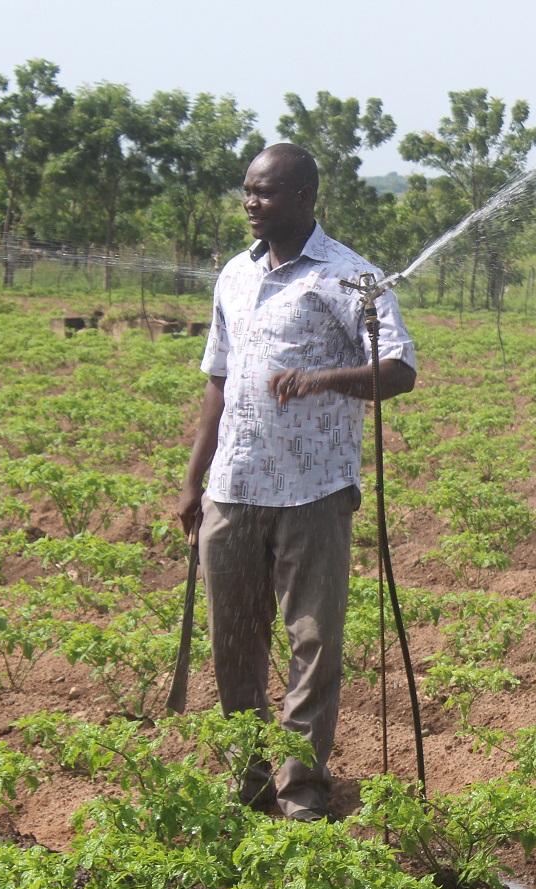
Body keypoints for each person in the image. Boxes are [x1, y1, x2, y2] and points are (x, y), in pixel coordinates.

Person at [176, 143, 416, 822]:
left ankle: (302, 788)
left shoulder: (349, 278)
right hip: (235, 484)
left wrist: (323, 379)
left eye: (268, 192)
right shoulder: (233, 276)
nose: (253, 203)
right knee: (234, 641)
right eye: (248, 191)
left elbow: (399, 369)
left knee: (312, 641)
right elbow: (218, 384)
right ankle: (247, 781)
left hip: (313, 489)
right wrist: (194, 480)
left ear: (306, 196)